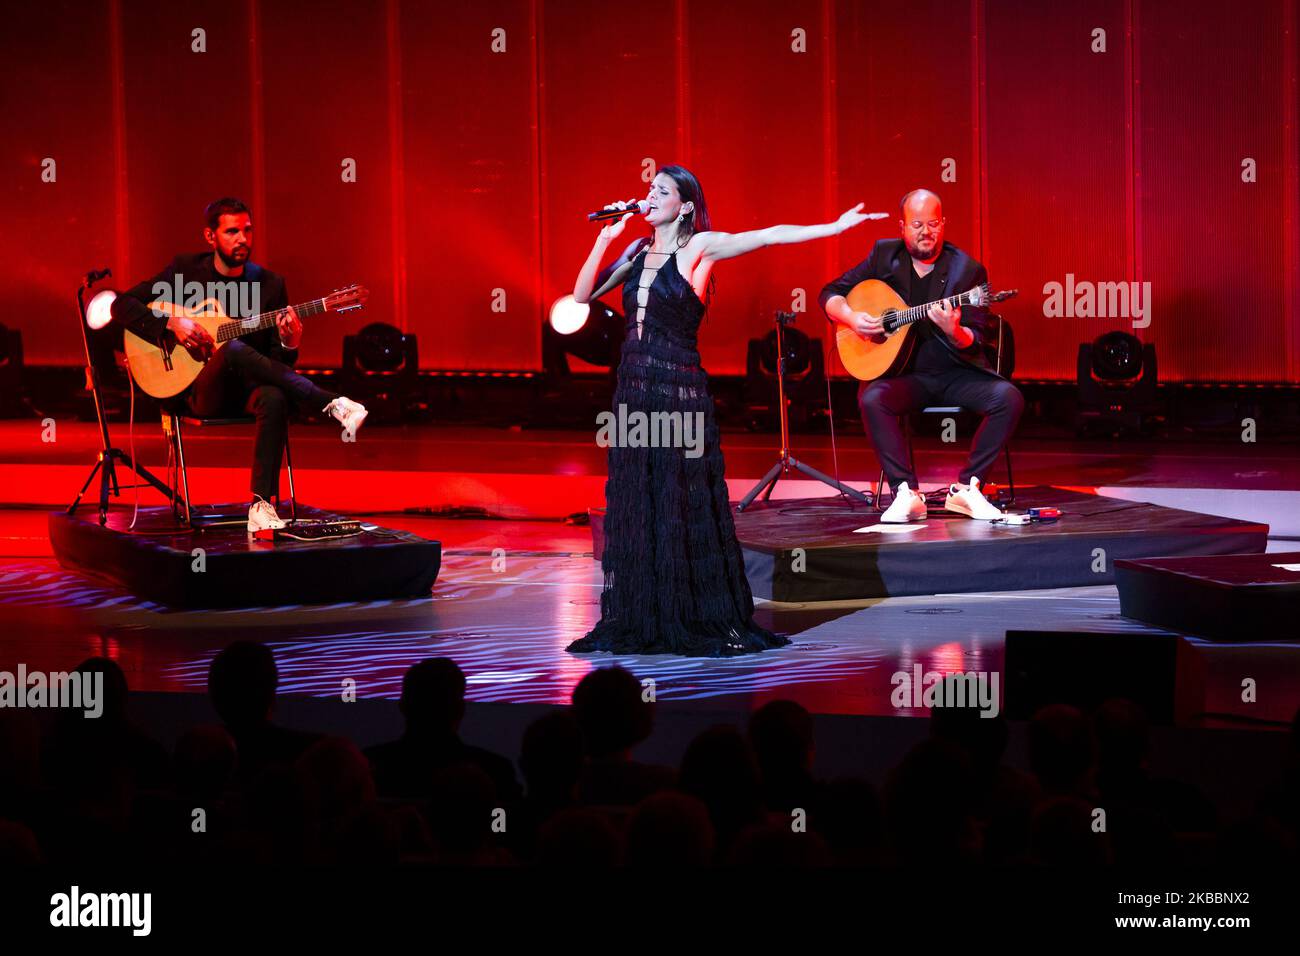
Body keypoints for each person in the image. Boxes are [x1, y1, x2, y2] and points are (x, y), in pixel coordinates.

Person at [566, 165, 871, 656]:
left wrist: (832, 228)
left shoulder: (698, 248)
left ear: (684, 206)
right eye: (650, 189)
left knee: (678, 500)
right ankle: (648, 613)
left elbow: (768, 236)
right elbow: (581, 297)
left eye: (662, 191)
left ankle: (690, 612)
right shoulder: (638, 250)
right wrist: (606, 240)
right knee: (641, 498)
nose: (650, 196)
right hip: (634, 390)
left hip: (678, 389)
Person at [111, 197, 368, 532]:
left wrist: (291, 343)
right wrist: (170, 324)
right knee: (229, 347)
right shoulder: (184, 271)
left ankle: (261, 505)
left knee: (274, 397)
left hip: (246, 390)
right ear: (210, 236)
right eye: (232, 231)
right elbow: (121, 305)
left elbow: (277, 364)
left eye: (247, 230)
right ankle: (329, 402)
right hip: (199, 391)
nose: (242, 238)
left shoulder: (270, 284)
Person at [819, 188, 1023, 522]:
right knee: (872, 399)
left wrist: (953, 330)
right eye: (916, 224)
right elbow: (830, 293)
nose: (925, 232)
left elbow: (974, 341)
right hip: (905, 376)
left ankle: (968, 489)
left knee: (1009, 398)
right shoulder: (884, 256)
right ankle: (905, 492)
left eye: (932, 224)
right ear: (902, 227)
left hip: (956, 373)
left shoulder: (967, 272)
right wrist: (853, 318)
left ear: (943, 224)